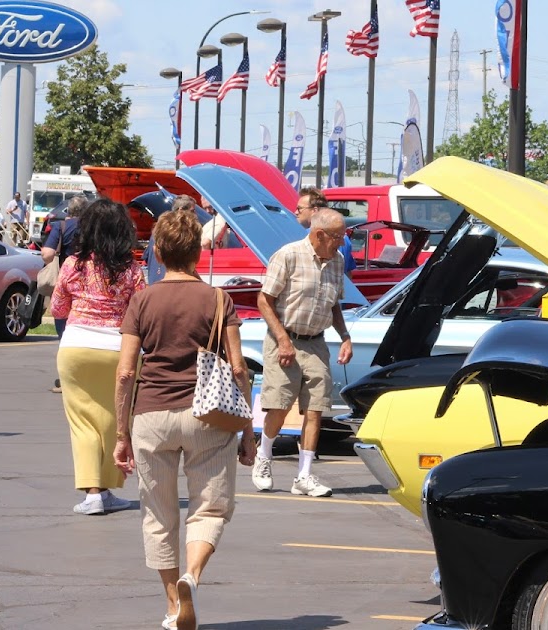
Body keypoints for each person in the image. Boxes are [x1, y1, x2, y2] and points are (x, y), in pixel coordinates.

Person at [114, 209, 255, 630]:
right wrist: (247, 430)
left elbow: (125, 371)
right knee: (209, 508)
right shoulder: (218, 299)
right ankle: (192, 575)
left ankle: (174, 604)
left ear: (157, 251)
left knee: (158, 515)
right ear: (198, 252)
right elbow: (239, 369)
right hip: (206, 415)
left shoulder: (142, 300)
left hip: (152, 414)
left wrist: (122, 433)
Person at [51, 198, 145, 515]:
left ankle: (93, 493)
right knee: (113, 420)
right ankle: (104, 491)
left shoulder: (73, 265)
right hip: (118, 348)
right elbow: (141, 310)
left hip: (76, 346)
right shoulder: (132, 270)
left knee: (82, 422)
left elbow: (57, 308)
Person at [252, 208, 353, 497]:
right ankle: (264, 455)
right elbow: (264, 300)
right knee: (279, 405)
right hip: (285, 339)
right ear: (319, 234)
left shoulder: (337, 261)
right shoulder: (289, 255)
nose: (341, 242)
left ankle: (304, 476)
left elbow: (334, 303)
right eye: (337, 236)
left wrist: (344, 336)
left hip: (316, 342)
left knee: (315, 409)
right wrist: (283, 339)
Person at [41, 195, 88, 393]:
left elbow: (47, 254)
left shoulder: (61, 227)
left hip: (66, 283)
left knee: (64, 329)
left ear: (68, 210)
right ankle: (85, 376)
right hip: (88, 283)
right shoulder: (91, 228)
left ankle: (67, 379)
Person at [295, 187, 356, 275]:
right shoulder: (345, 239)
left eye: (299, 209)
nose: (296, 212)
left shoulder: (305, 236)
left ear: (314, 211)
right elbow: (348, 275)